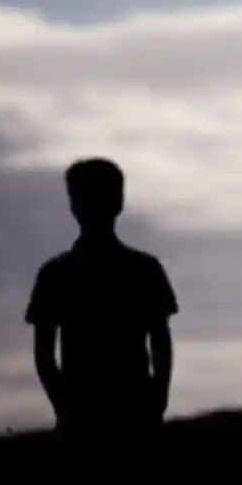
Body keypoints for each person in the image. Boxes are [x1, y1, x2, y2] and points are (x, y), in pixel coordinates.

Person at [25, 158, 178, 445]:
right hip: (112, 411)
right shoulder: (143, 269)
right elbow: (161, 342)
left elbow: (44, 354)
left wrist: (157, 400)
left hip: (115, 411)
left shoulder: (56, 274)